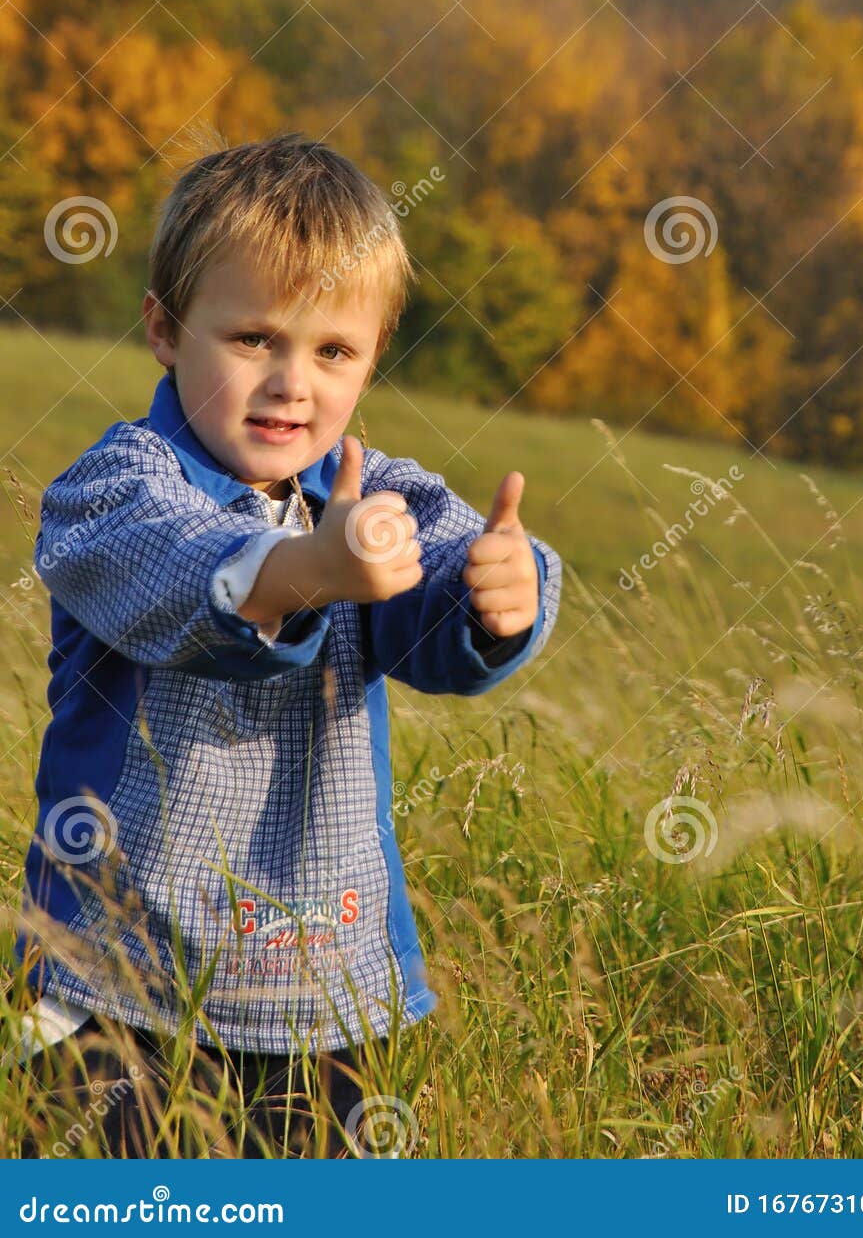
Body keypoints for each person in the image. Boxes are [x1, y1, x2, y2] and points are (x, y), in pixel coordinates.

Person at [9, 132, 562, 1157]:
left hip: (326, 996)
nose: (290, 384)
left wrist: (500, 595)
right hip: (109, 988)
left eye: (332, 351)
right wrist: (311, 570)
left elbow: (434, 607)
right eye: (256, 338)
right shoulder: (115, 488)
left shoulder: (376, 492)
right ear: (167, 330)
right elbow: (182, 575)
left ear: (372, 356)